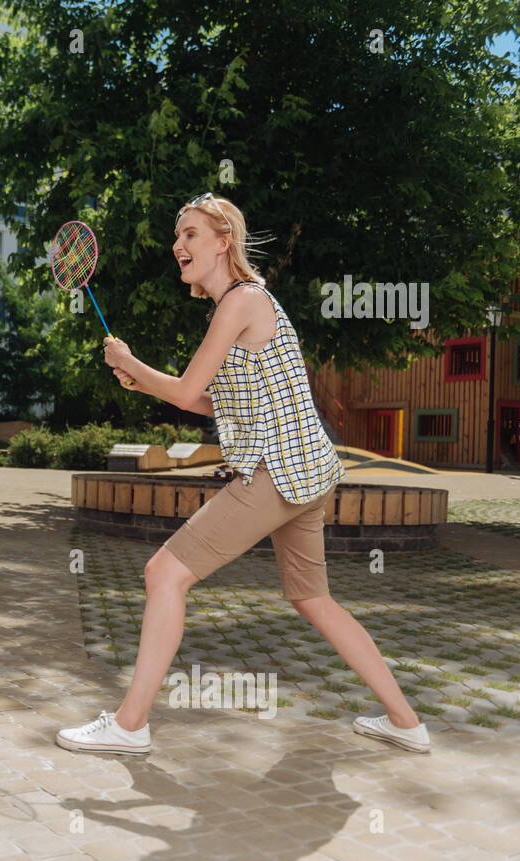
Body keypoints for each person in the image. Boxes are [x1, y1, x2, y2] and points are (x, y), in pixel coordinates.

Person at [58, 193, 429, 755]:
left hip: (273, 474)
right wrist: (140, 377)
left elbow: (182, 391)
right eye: (177, 236)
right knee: (313, 600)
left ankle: (129, 726)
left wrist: (134, 366)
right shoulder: (238, 306)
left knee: (164, 574)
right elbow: (213, 402)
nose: (177, 246)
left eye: (190, 235)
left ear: (223, 241)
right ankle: (407, 722)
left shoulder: (241, 300)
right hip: (306, 473)